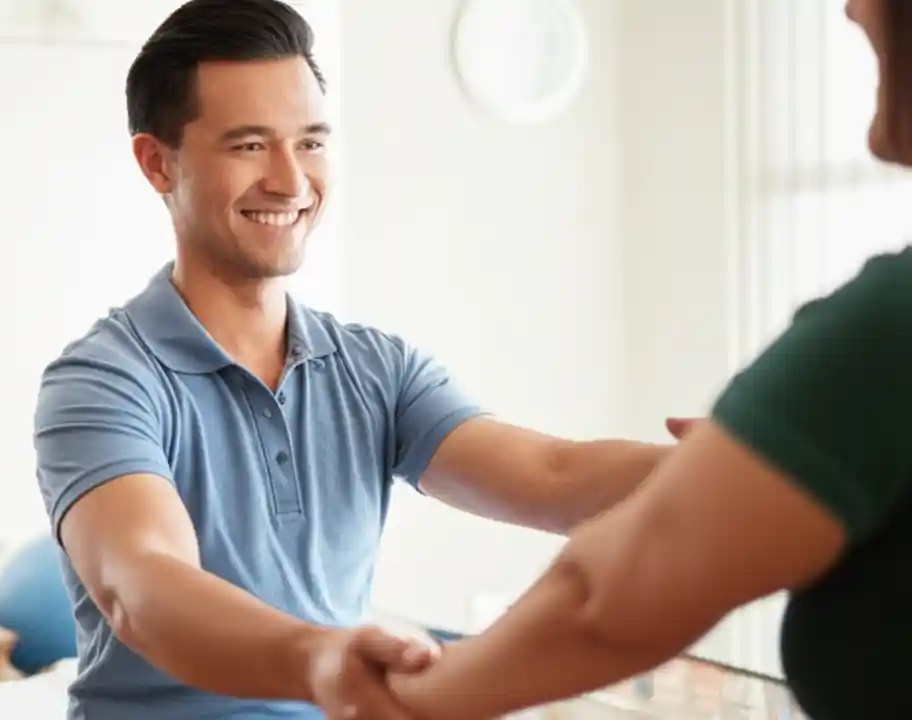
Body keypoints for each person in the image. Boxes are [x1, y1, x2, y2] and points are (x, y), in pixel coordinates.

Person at [33, 1, 675, 717]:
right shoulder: (102, 382)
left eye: (310, 142)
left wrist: (729, 463)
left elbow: (552, 475)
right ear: (158, 163)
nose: (290, 181)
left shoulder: (375, 369)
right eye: (249, 146)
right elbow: (142, 584)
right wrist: (316, 658)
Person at [385, 1, 912, 718]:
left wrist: (408, 696)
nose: (852, 8)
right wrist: (737, 472)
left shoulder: (889, 327)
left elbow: (598, 597)